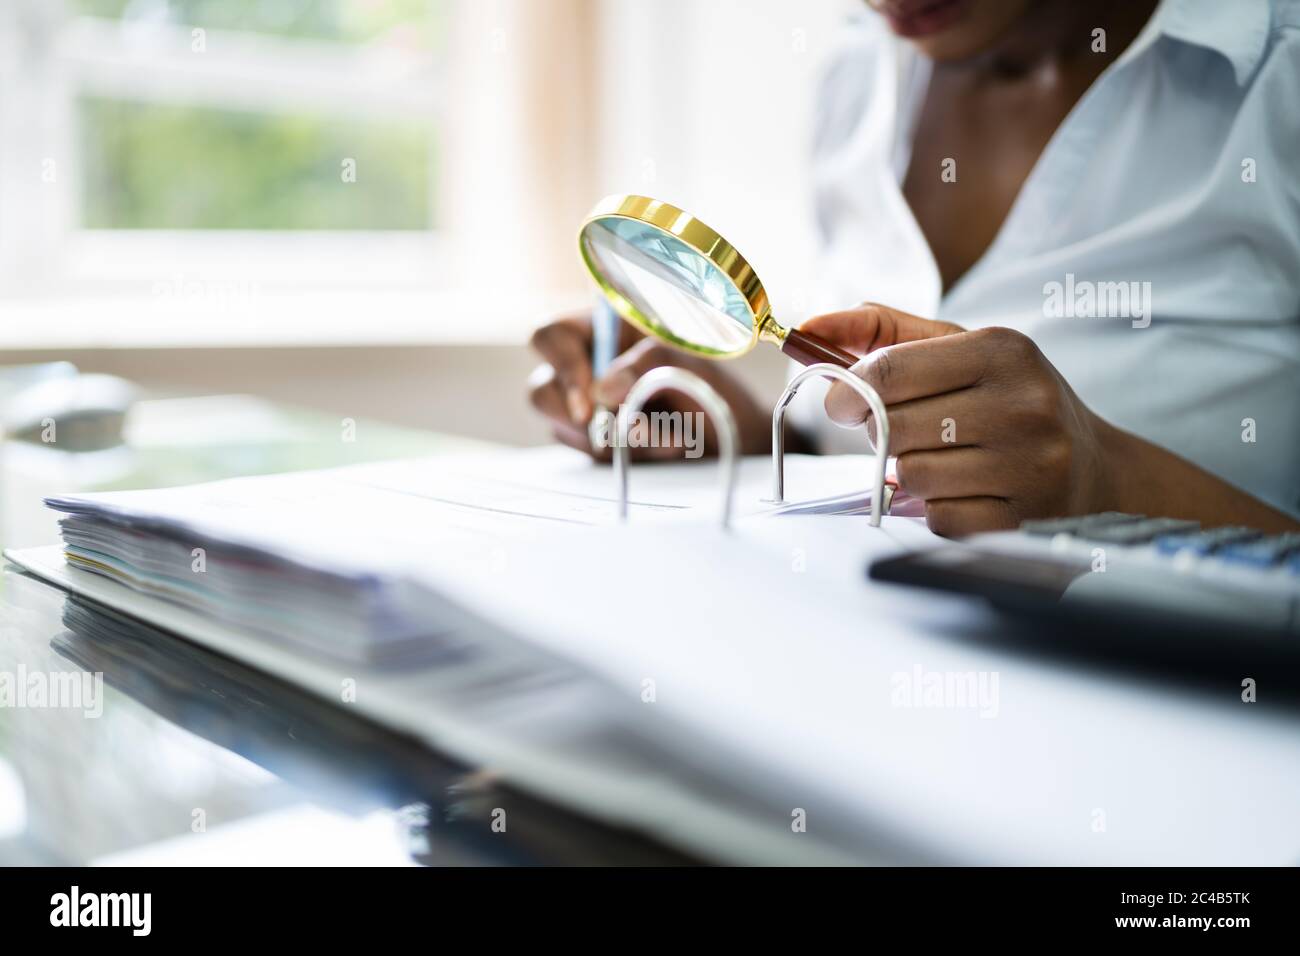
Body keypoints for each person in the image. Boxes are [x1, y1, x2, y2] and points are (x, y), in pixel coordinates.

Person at [528, 0, 1300, 537]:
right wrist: (747, 431)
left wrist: (1112, 484)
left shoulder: (1279, 76)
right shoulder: (856, 68)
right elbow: (880, 459)